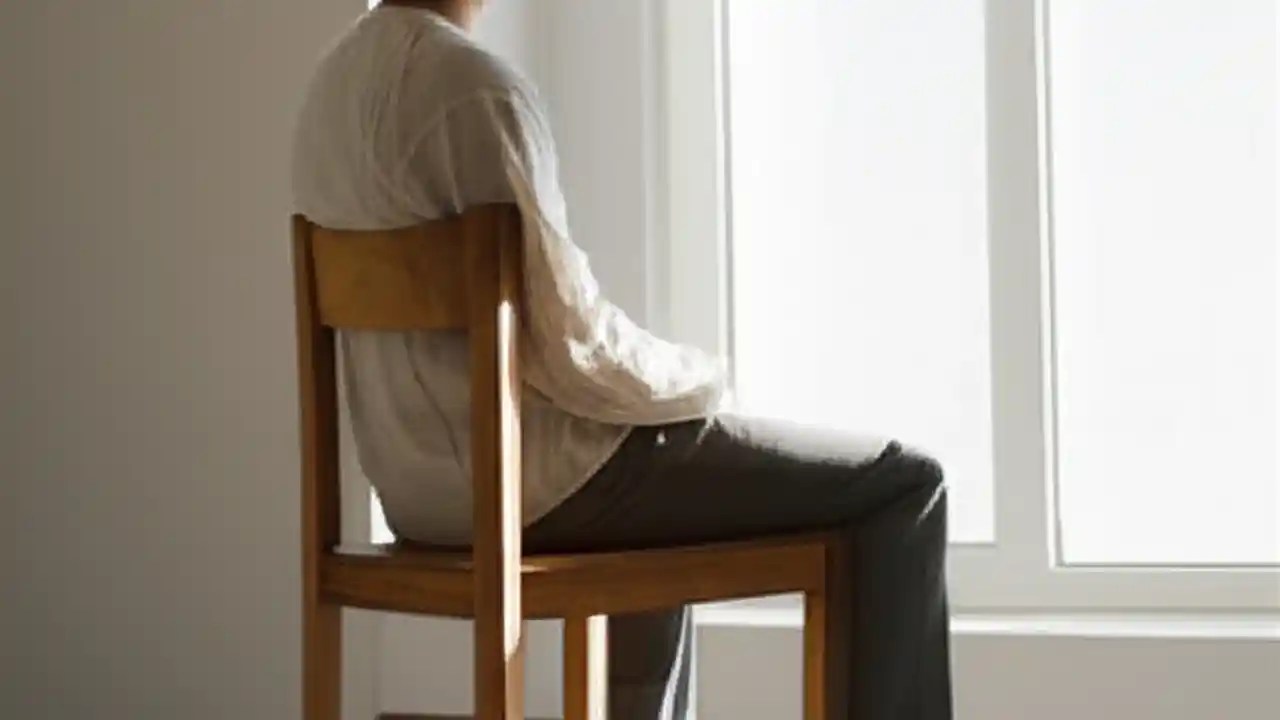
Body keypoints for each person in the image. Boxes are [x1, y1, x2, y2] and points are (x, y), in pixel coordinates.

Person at [292, 1, 952, 717]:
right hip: (529, 489)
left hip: (416, 500)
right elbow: (566, 343)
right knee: (905, 485)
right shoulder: (474, 89)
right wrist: (695, 380)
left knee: (660, 476)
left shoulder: (327, 93)